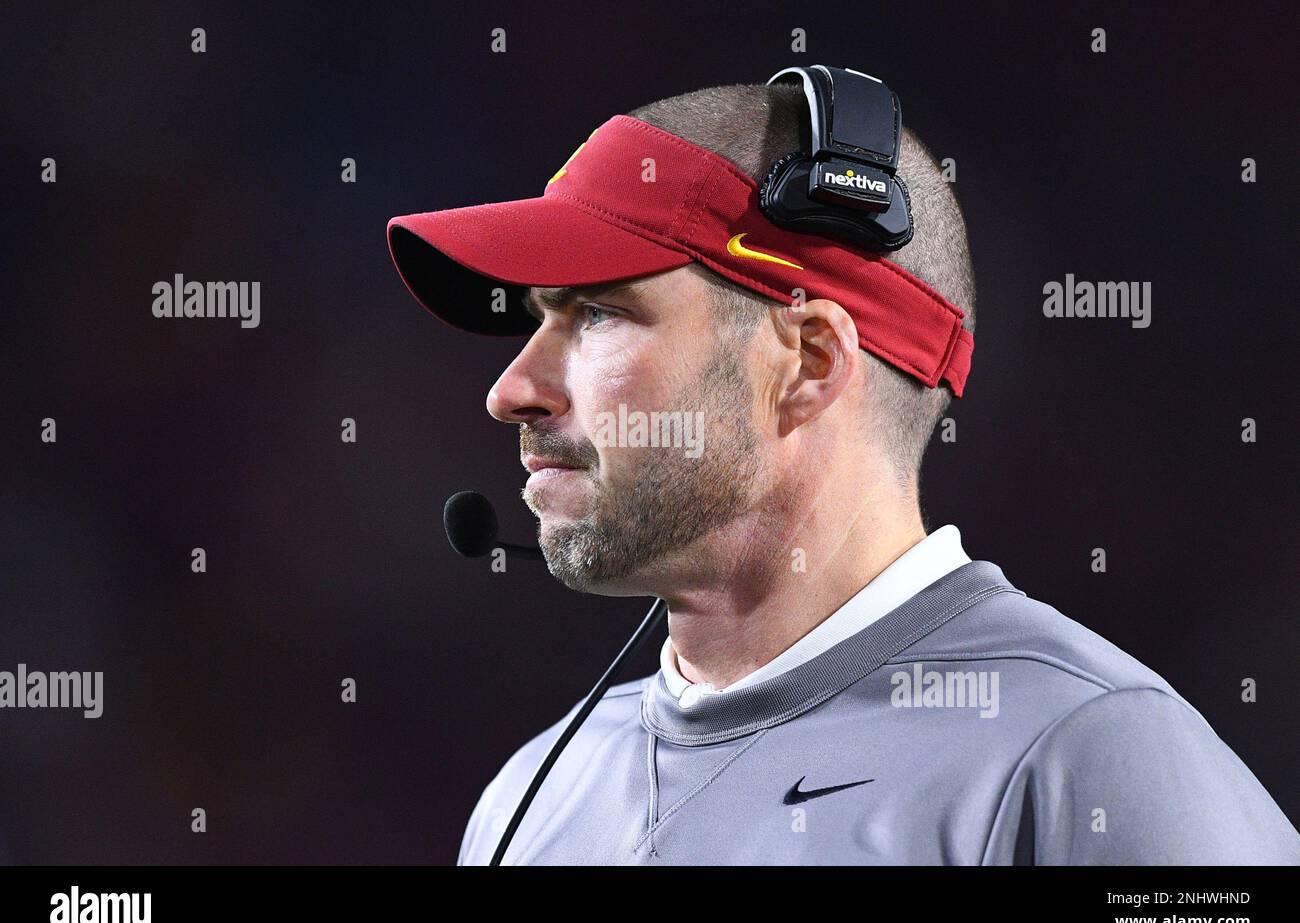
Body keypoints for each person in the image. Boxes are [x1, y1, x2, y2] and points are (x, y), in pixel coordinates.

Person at [387, 74, 1300, 864]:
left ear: (810, 364)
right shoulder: (533, 799)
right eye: (540, 317)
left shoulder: (1093, 756)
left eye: (598, 315)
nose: (512, 389)